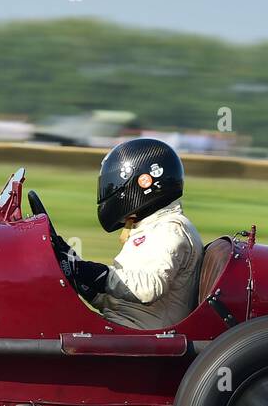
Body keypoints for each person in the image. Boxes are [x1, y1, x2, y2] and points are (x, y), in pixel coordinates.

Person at [56, 138, 202, 330]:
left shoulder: (171, 230)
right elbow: (118, 302)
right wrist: (71, 267)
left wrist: (84, 270)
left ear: (143, 182)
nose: (112, 189)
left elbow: (148, 288)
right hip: (124, 327)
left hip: (142, 339)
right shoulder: (150, 227)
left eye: (116, 182)